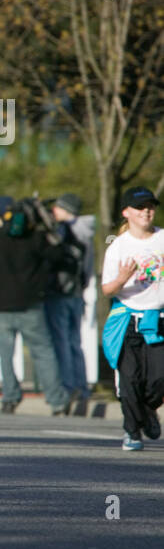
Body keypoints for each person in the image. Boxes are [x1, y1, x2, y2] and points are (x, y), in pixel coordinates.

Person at [0, 196, 70, 416]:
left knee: (6, 355)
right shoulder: (35, 238)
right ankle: (56, 401)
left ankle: (10, 398)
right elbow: (59, 257)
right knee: (43, 353)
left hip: (2, 307)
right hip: (31, 305)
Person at [100, 187, 164, 451]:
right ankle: (132, 432)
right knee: (129, 379)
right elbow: (107, 289)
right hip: (128, 319)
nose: (146, 211)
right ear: (126, 212)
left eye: (150, 206)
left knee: (159, 379)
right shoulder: (118, 246)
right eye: (140, 207)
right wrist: (122, 278)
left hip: (158, 318)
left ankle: (147, 411)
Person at [45, 193, 93, 405]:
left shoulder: (65, 231)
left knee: (61, 341)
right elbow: (88, 267)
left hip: (60, 292)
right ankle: (82, 387)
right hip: (77, 293)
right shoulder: (87, 231)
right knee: (75, 342)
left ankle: (67, 387)